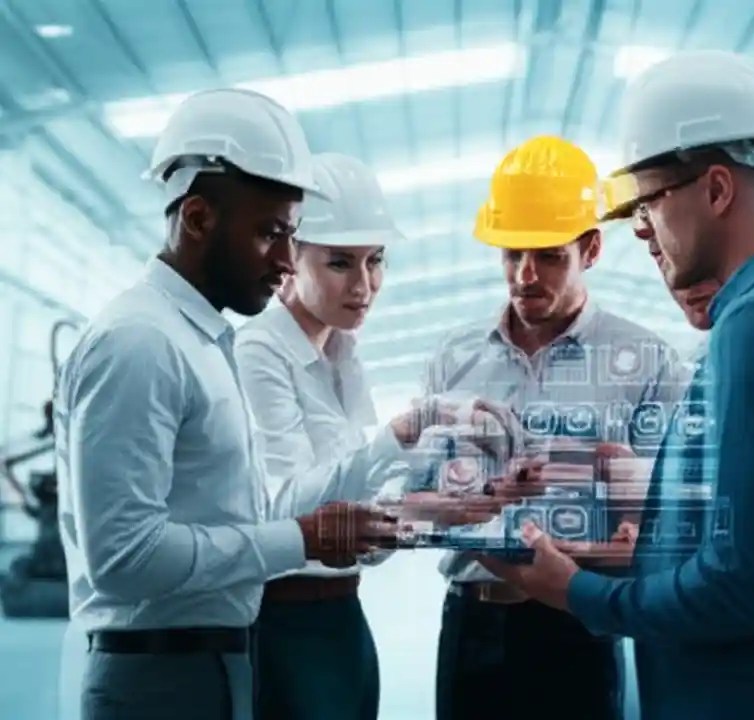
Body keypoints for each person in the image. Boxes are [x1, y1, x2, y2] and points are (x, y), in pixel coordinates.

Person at [478, 50, 754, 720]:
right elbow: (738, 541)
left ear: (717, 190)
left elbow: (743, 590)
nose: (641, 229)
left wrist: (574, 590)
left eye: (648, 203)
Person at [54, 88, 398, 720]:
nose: (285, 260)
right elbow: (125, 559)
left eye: (292, 236)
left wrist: (351, 523)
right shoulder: (140, 343)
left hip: (214, 661)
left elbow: (234, 511)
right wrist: (300, 540)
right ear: (197, 217)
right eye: (269, 233)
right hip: (157, 676)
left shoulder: (204, 343)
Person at [421, 135, 685, 720]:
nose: (524, 275)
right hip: (474, 623)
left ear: (590, 248)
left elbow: (664, 521)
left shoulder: (646, 360)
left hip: (581, 625)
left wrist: (593, 553)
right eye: (511, 254)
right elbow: (428, 492)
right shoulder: (454, 358)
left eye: (547, 255)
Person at [233, 152, 497, 719]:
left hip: (345, 619)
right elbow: (286, 507)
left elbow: (362, 508)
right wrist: (407, 427)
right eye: (340, 263)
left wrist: (445, 509)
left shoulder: (345, 356)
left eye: (376, 261)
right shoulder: (258, 353)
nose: (365, 285)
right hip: (283, 625)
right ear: (290, 257)